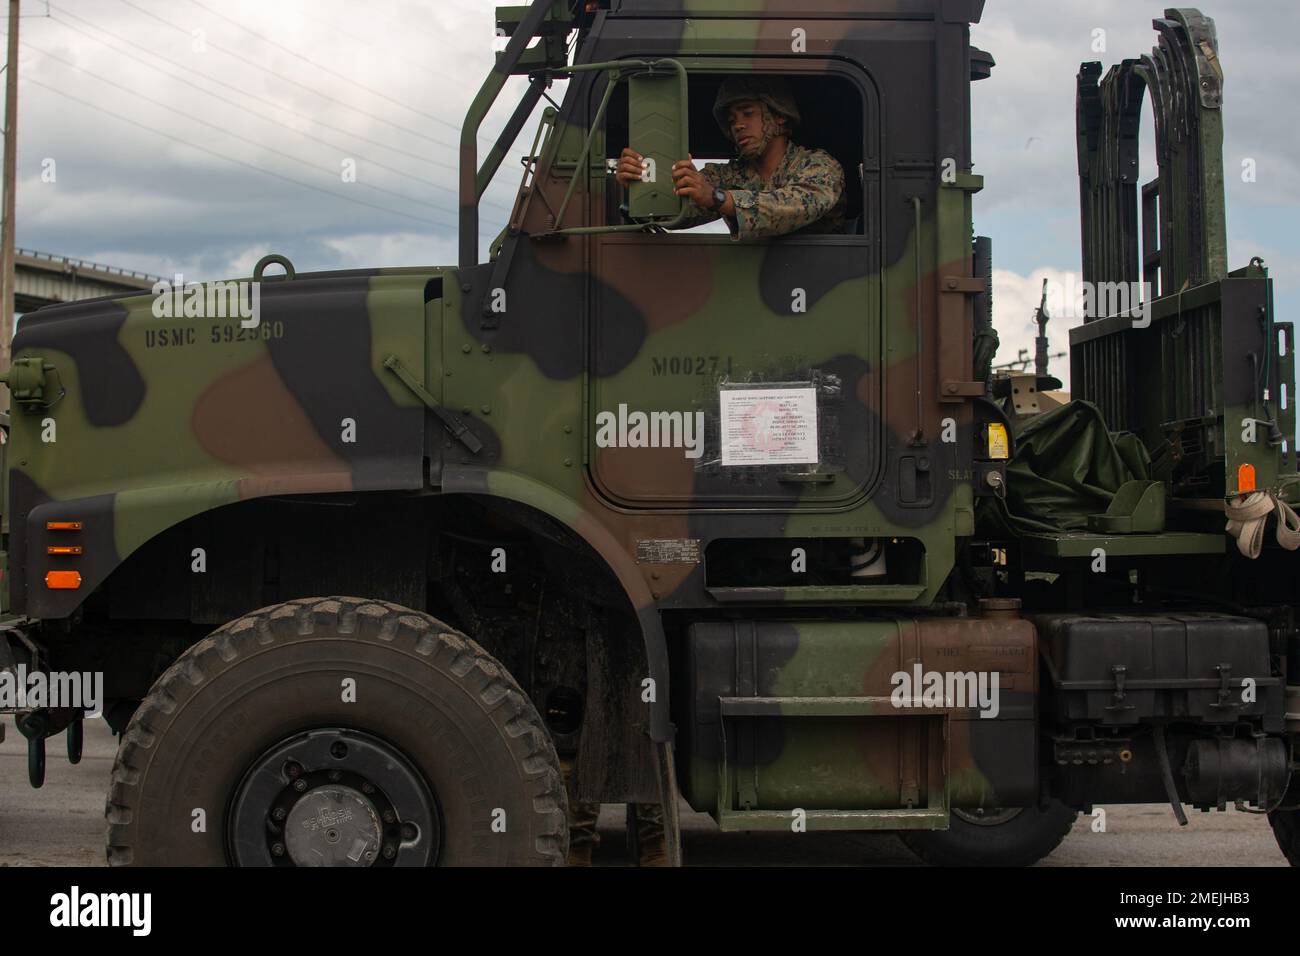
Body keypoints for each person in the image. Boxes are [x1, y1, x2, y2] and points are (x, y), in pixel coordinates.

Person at [614, 75, 847, 239]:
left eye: (748, 113)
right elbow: (675, 212)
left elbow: (791, 208)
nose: (739, 125)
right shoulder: (727, 175)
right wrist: (639, 187)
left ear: (779, 116)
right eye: (732, 120)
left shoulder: (819, 166)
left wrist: (717, 198)